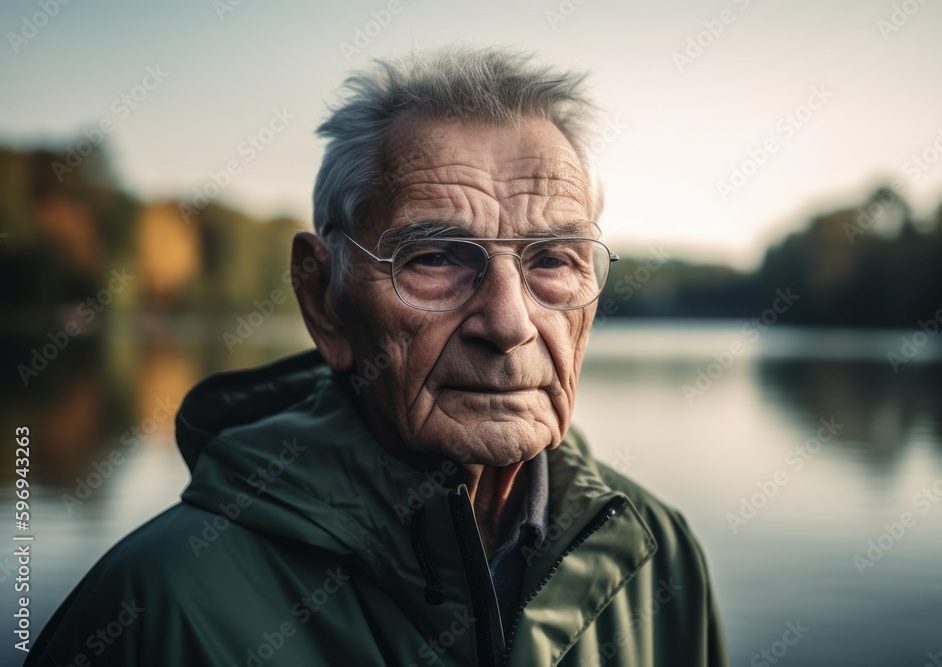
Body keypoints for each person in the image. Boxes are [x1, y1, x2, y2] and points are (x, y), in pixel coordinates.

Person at [26, 46, 728, 666]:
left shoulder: (655, 554)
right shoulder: (160, 604)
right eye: (435, 258)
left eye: (553, 259)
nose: (510, 322)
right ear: (323, 300)